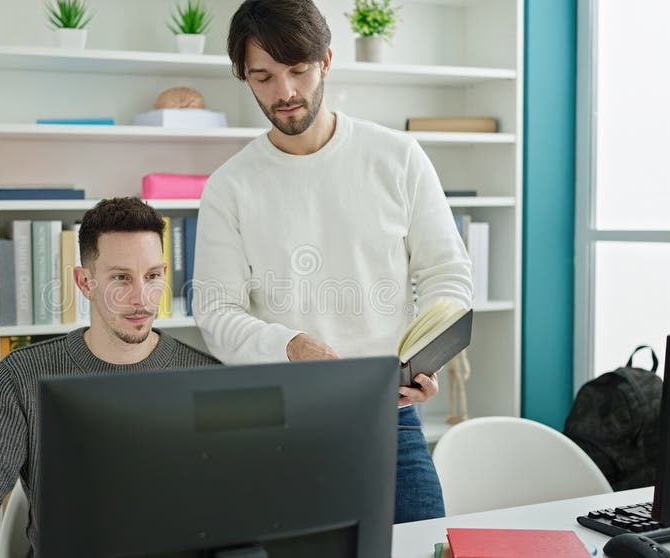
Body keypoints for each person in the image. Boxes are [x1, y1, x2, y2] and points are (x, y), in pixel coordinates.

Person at [192, 0, 473, 523]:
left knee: (425, 545)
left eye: (297, 70)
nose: (285, 93)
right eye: (264, 77)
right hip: (281, 424)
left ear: (326, 60)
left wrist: (428, 356)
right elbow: (215, 312)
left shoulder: (398, 157)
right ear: (244, 78)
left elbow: (446, 274)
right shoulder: (230, 187)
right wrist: (290, 345)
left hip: (389, 417)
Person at [0, 197, 219, 558]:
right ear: (85, 282)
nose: (141, 297)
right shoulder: (23, 376)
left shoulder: (208, 378)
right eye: (121, 278)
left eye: (152, 276)